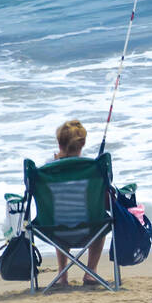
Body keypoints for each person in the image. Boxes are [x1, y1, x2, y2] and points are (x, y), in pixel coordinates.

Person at [49, 119, 106, 287]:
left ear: (59, 143)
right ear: (83, 144)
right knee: (101, 219)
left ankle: (62, 273)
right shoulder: (93, 168)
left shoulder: (47, 168)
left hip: (54, 231)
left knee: (60, 216)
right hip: (90, 230)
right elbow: (104, 201)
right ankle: (91, 271)